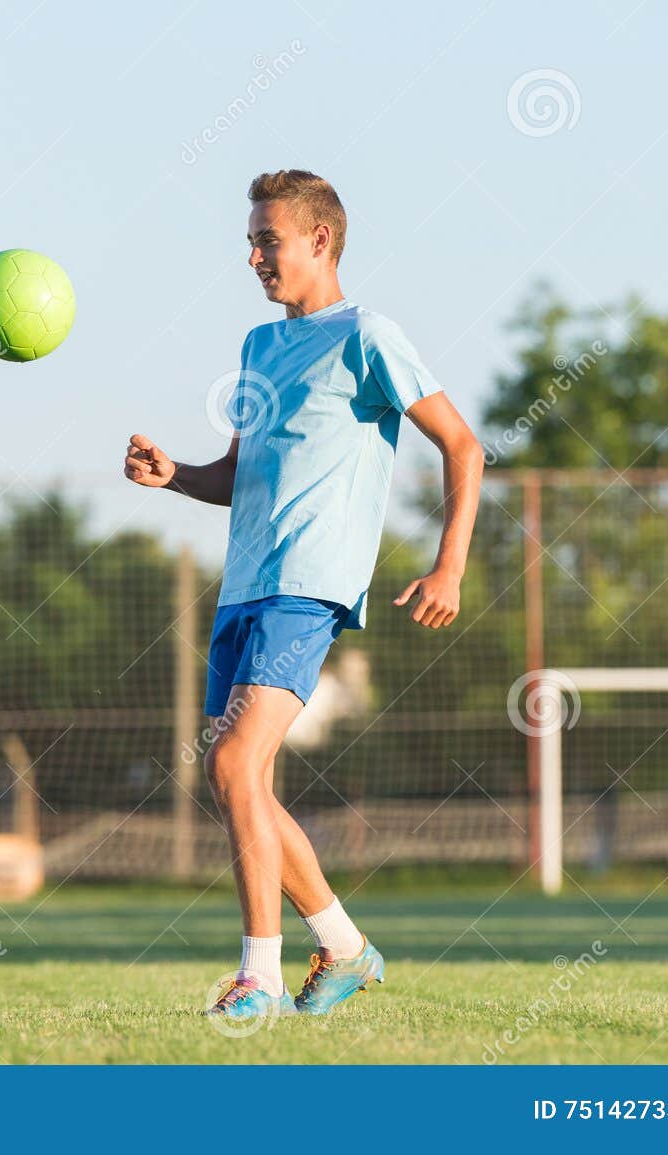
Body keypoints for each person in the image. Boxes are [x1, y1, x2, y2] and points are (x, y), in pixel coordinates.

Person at [124, 171, 483, 1019]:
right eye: (250, 241)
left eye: (267, 239)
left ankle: (260, 976)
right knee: (238, 781)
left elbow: (464, 447)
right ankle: (348, 946)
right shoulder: (258, 347)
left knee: (232, 763)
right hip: (243, 587)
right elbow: (241, 474)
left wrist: (450, 566)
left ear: (320, 240)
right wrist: (173, 475)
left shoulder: (369, 335)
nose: (253, 256)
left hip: (309, 586)